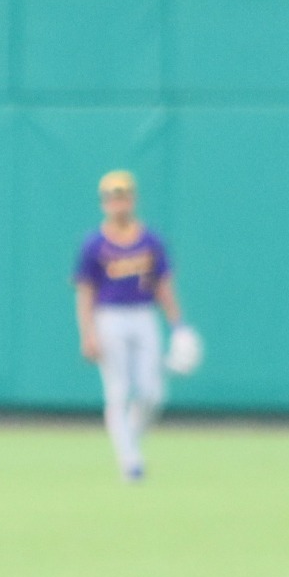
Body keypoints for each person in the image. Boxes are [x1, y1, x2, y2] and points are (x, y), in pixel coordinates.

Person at [73, 170, 192, 481]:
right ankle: (130, 460)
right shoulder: (93, 244)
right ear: (103, 203)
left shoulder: (150, 240)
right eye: (112, 197)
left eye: (123, 195)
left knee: (153, 393)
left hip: (143, 315)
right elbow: (85, 293)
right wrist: (87, 334)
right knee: (119, 391)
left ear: (133, 199)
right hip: (109, 317)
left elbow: (163, 285)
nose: (118, 202)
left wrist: (178, 324)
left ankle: (131, 443)